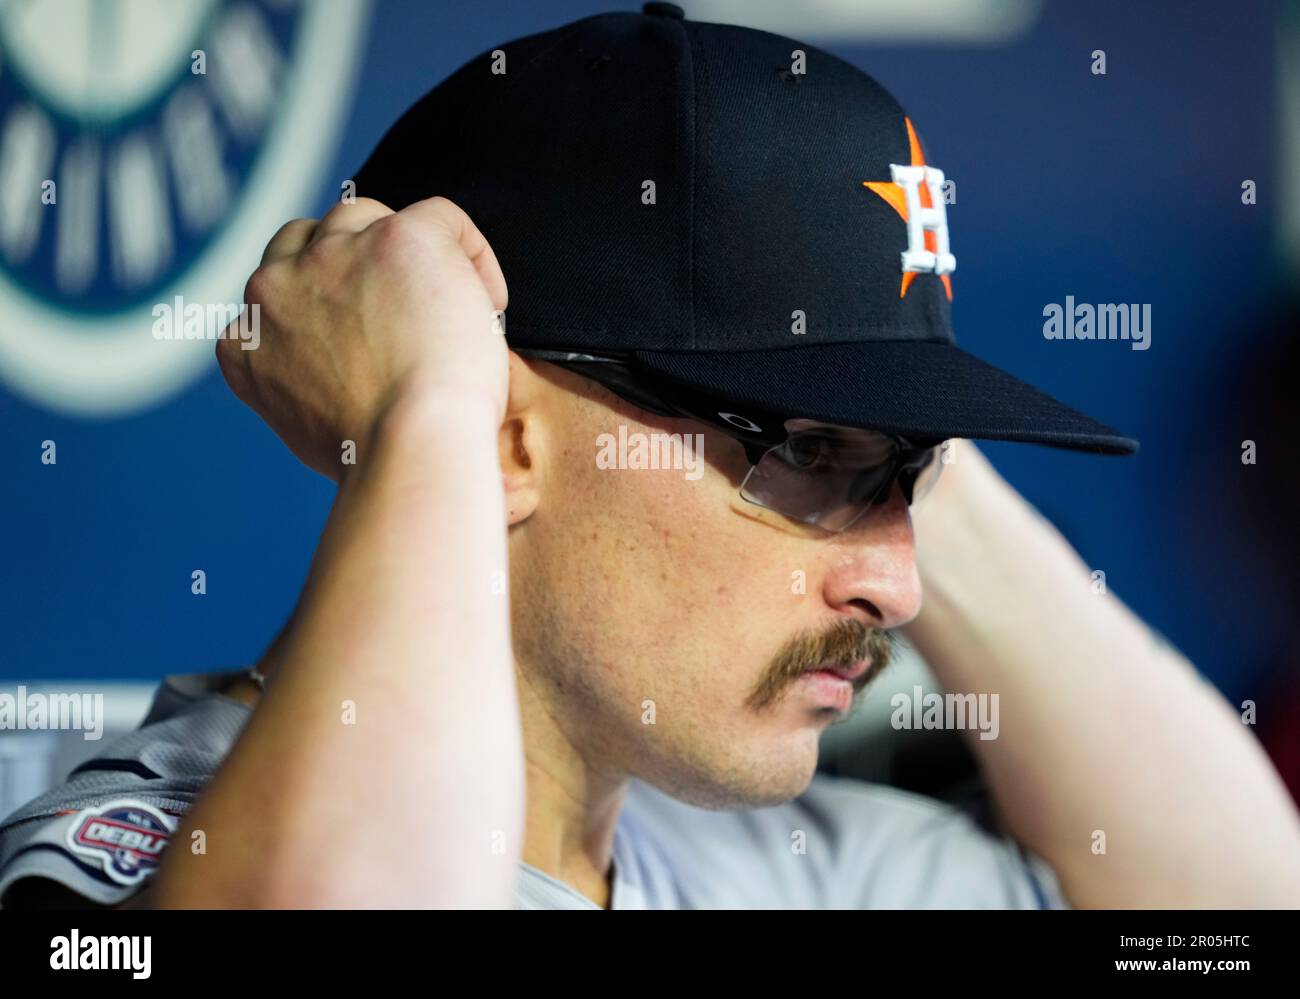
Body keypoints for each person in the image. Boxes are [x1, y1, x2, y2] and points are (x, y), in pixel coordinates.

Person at [2, 4, 1298, 909]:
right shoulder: (145, 846)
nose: (897, 588)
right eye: (811, 451)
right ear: (507, 432)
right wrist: (421, 416)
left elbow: (1234, 908)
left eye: (909, 478)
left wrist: (907, 450)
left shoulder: (788, 865)